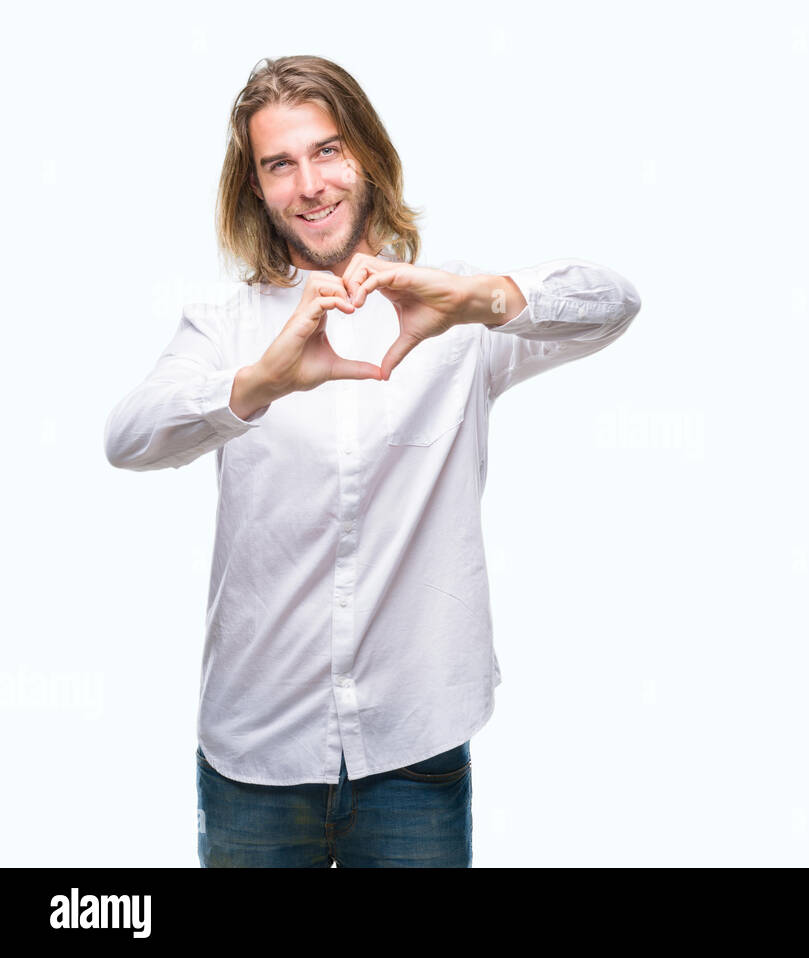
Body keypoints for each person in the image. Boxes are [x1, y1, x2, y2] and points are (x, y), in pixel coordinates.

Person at [103, 55, 641, 868]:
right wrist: (257, 385)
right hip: (257, 755)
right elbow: (129, 438)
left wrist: (479, 299)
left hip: (414, 755)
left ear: (368, 157)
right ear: (254, 187)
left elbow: (611, 303)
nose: (309, 183)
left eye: (328, 151)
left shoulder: (453, 303)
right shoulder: (227, 324)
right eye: (279, 164)